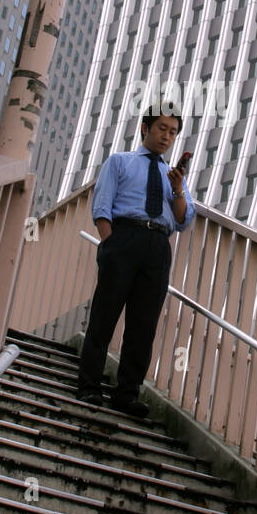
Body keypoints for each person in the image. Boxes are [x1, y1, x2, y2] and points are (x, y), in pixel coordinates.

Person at [75, 106, 194, 417]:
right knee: (105, 314)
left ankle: (127, 393)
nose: (167, 137)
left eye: (173, 132)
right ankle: (89, 386)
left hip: (158, 245)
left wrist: (178, 189)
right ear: (145, 128)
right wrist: (110, 242)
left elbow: (183, 220)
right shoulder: (120, 162)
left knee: (144, 324)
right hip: (124, 238)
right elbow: (102, 205)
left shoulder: (174, 178)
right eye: (162, 129)